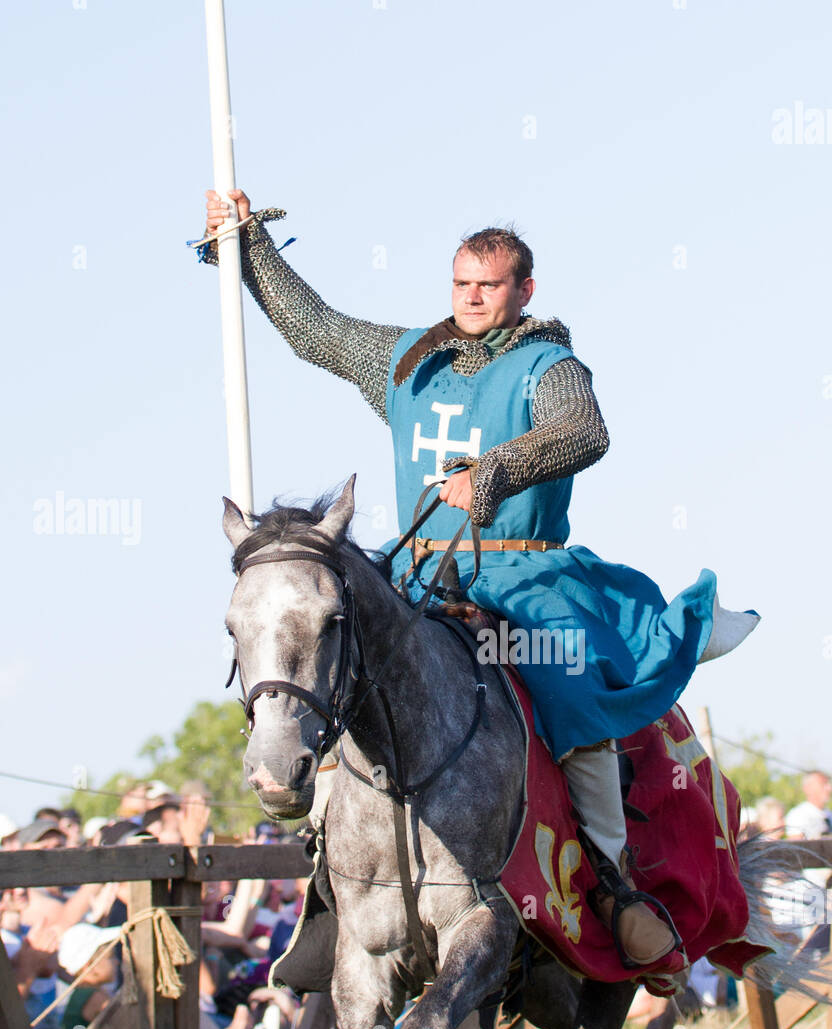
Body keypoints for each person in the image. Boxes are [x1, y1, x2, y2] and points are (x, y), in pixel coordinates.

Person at [199, 192, 760, 974]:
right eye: (462, 282)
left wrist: (496, 469)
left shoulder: (547, 365)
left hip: (523, 572)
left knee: (572, 695)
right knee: (332, 677)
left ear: (523, 291)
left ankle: (609, 883)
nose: (471, 297)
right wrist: (244, 243)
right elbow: (316, 330)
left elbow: (583, 431)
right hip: (418, 573)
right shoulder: (407, 363)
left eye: (488, 285)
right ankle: (334, 890)